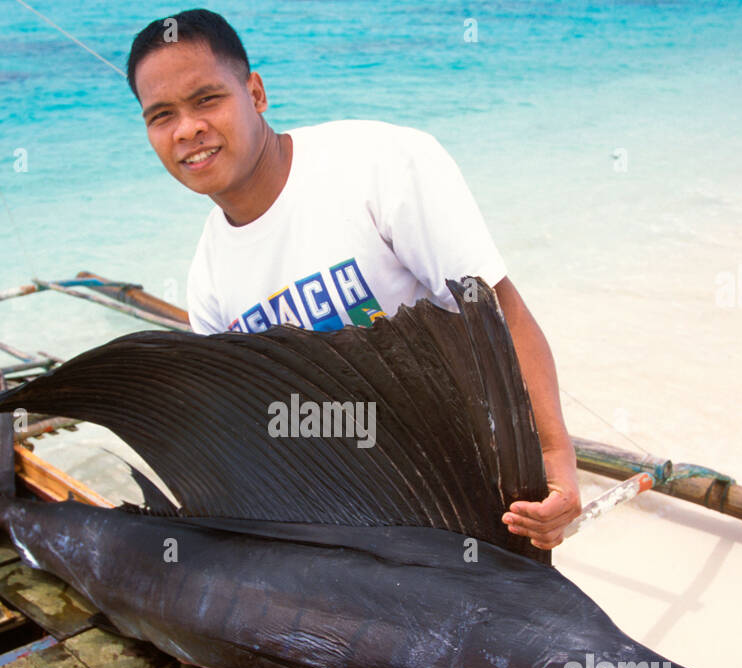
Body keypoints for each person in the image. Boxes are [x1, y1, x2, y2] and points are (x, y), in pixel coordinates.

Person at [126, 9, 581, 550]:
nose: (188, 130)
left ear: (255, 93)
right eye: (161, 115)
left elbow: (499, 312)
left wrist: (555, 461)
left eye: (207, 99)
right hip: (349, 517)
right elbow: (263, 425)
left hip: (471, 490)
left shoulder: (382, 165)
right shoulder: (207, 281)